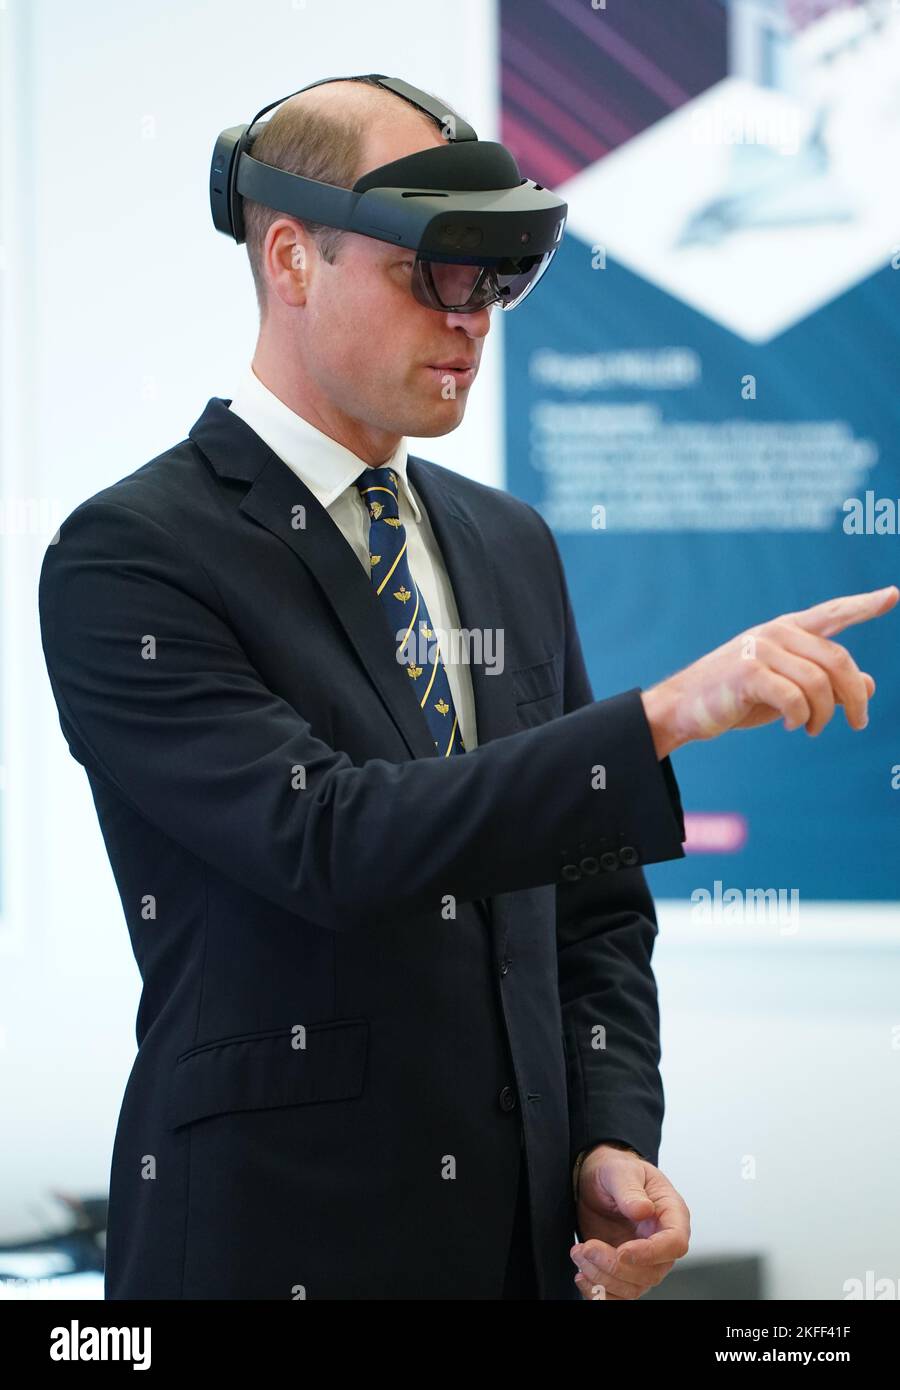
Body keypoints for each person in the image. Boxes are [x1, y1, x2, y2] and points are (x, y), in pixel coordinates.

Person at [38, 75, 897, 1301]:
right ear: (291, 255)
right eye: (434, 271)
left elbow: (591, 899)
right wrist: (664, 716)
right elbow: (329, 837)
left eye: (498, 279)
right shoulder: (134, 555)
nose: (474, 318)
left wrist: (606, 1130)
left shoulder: (506, 542)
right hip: (272, 1246)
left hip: (523, 1257)